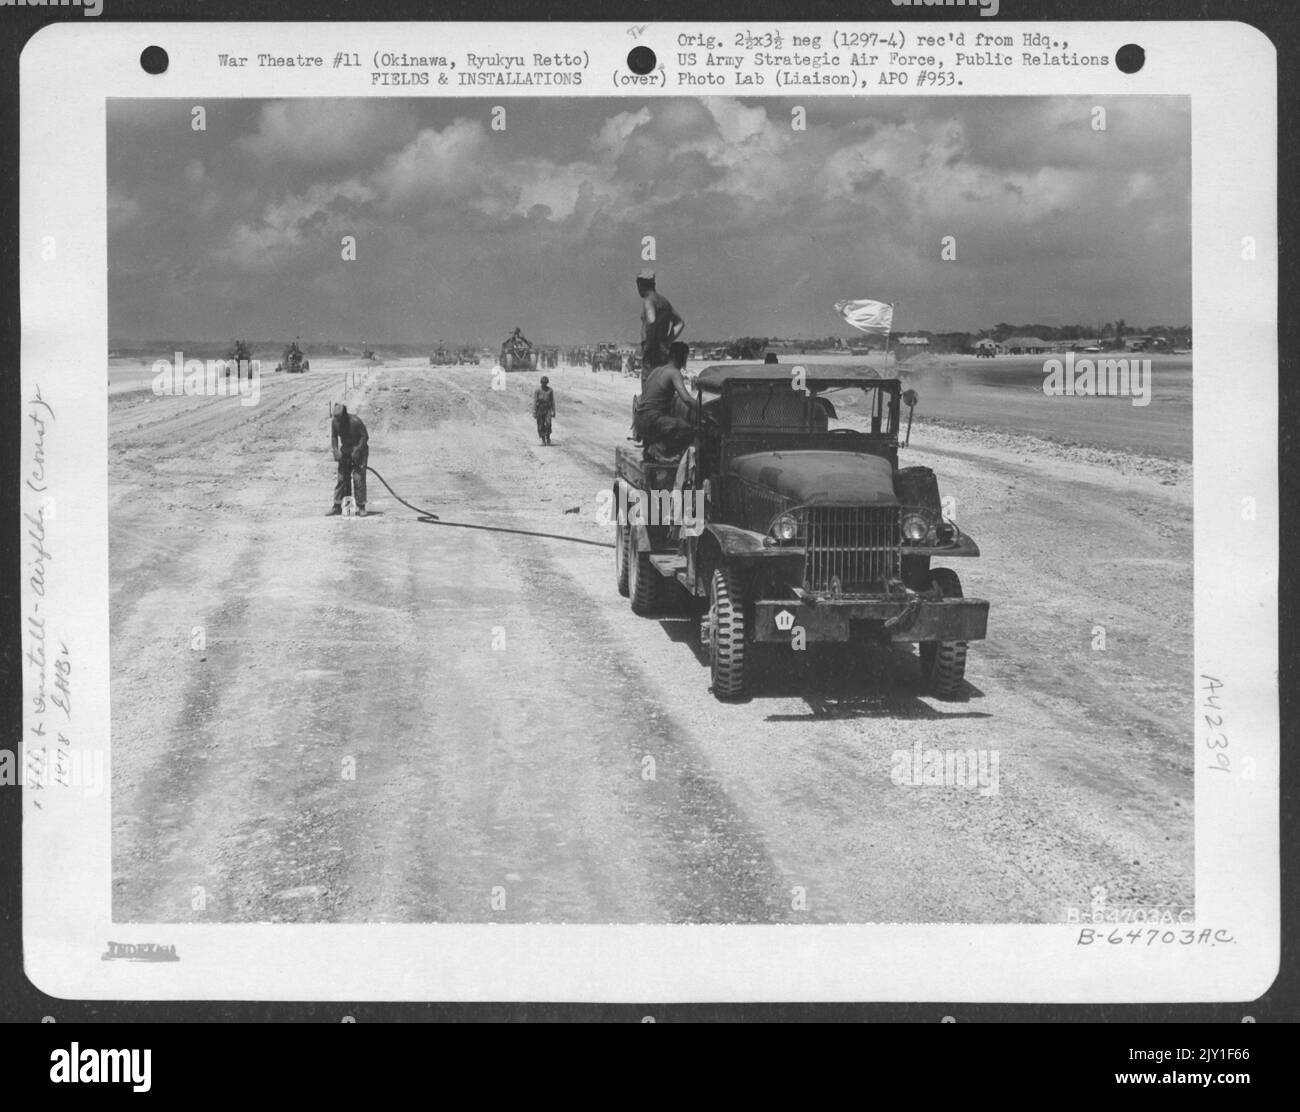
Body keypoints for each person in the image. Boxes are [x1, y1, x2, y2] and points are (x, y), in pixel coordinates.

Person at [634, 341, 697, 458]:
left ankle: (651, 449)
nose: (685, 361)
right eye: (684, 356)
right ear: (678, 356)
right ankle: (658, 451)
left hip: (639, 420)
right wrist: (702, 410)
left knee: (669, 422)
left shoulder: (656, 371)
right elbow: (687, 399)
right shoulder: (674, 372)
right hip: (651, 421)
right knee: (688, 430)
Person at [636, 269, 684, 379]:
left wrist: (647, 345)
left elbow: (651, 321)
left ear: (639, 284)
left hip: (651, 354)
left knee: (649, 386)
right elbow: (680, 323)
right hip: (663, 351)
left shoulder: (648, 301)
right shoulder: (664, 302)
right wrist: (667, 341)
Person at [327, 402, 369, 516]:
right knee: (342, 478)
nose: (338, 422)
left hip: (359, 450)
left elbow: (365, 436)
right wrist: (336, 451)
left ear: (345, 415)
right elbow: (334, 437)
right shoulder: (335, 422)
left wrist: (357, 450)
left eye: (340, 419)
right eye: (337, 419)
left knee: (358, 478)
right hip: (345, 450)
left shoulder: (355, 421)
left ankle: (361, 506)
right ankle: (338, 506)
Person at [533, 375, 556, 446]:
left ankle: (548, 437)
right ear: (541, 382)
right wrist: (534, 411)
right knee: (540, 425)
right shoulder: (537, 390)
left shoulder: (550, 390)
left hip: (548, 408)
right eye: (543, 382)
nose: (544, 384)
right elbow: (535, 401)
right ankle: (543, 440)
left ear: (547, 383)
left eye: (545, 383)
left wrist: (554, 411)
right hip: (540, 408)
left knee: (548, 423)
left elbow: (552, 401)